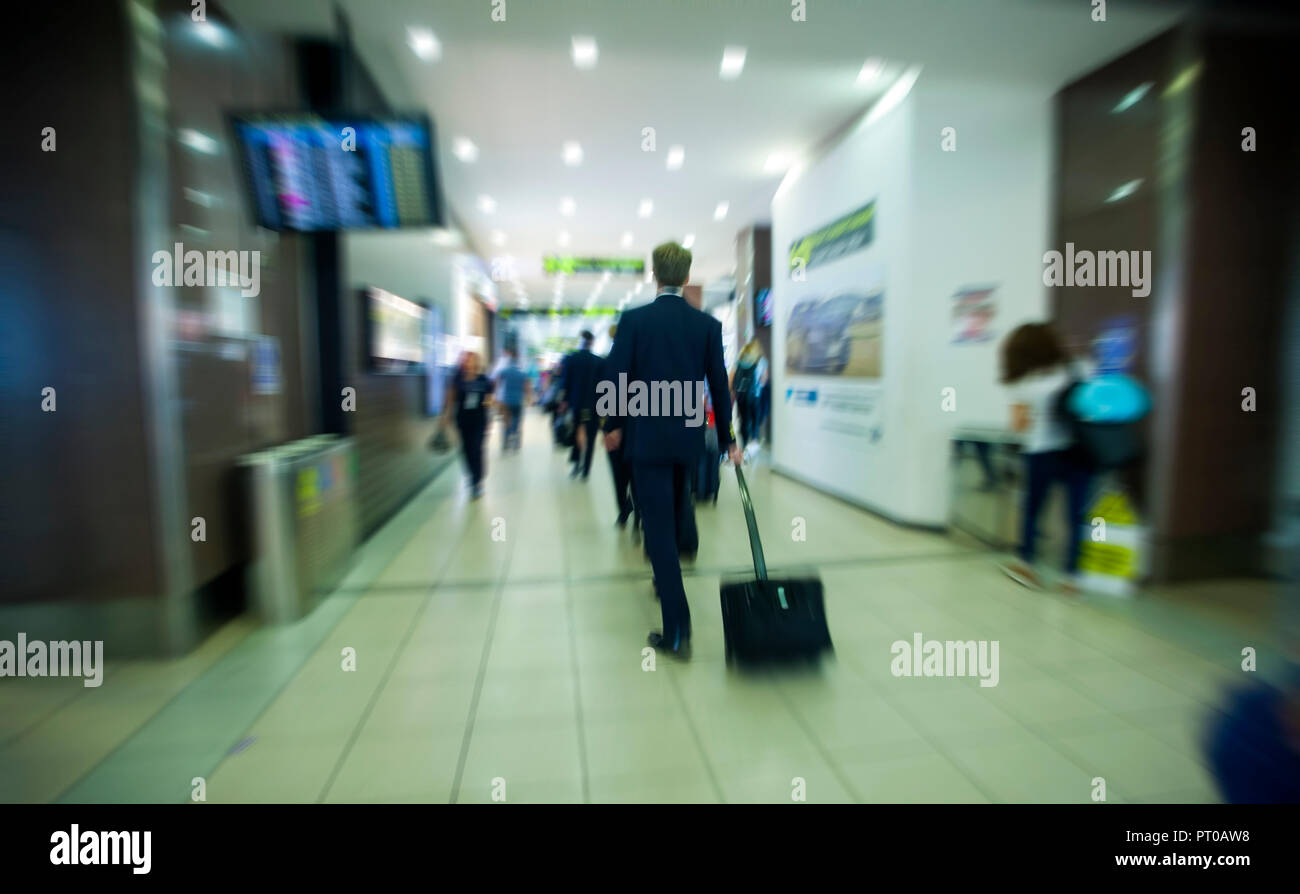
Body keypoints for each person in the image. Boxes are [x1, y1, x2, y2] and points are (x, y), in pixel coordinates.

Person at [604, 241, 741, 658]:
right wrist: (729, 440)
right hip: (687, 439)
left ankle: (678, 629)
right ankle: (670, 589)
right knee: (677, 513)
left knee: (658, 528)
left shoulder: (634, 321)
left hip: (646, 440)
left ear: (654, 275)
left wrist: (613, 425)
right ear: (686, 277)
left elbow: (617, 376)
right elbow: (719, 386)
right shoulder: (706, 325)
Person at [998, 323, 1091, 593]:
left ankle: (1026, 566)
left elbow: (1019, 425)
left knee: (1032, 511)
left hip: (1042, 452)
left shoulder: (1023, 381)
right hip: (1081, 451)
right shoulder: (1079, 367)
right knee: (1076, 516)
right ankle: (1072, 578)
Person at [443, 351, 493, 499]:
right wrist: (445, 415)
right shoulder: (457, 380)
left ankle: (477, 481)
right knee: (465, 451)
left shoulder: (484, 380)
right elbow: (450, 399)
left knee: (476, 449)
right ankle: (472, 476)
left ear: (476, 362)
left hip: (479, 420)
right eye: (465, 360)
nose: (467, 362)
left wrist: (489, 410)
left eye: (470, 360)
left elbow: (488, 400)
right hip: (462, 420)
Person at [600, 324, 636, 527]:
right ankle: (634, 509)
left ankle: (624, 509)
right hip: (635, 426)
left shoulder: (608, 362)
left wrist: (608, 428)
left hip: (615, 425)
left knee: (618, 471)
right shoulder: (641, 360)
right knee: (636, 472)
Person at [560, 330, 602, 479]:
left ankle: (577, 463)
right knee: (590, 436)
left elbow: (565, 382)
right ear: (592, 342)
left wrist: (564, 401)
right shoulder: (599, 361)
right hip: (594, 405)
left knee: (578, 430)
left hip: (576, 404)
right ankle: (586, 469)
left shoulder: (572, 360)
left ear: (581, 341)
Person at [731, 339, 766, 458]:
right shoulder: (761, 360)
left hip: (741, 395)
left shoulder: (739, 359)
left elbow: (732, 377)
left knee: (743, 420)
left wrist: (733, 392)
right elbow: (763, 379)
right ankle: (754, 441)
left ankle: (744, 444)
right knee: (755, 419)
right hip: (754, 395)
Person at [494, 349, 530, 451]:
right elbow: (526, 387)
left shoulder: (505, 371)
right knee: (517, 421)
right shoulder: (522, 373)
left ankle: (506, 443)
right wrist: (528, 398)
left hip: (507, 401)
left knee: (506, 422)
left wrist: (497, 394)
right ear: (518, 360)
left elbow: (498, 379)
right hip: (518, 400)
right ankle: (516, 441)